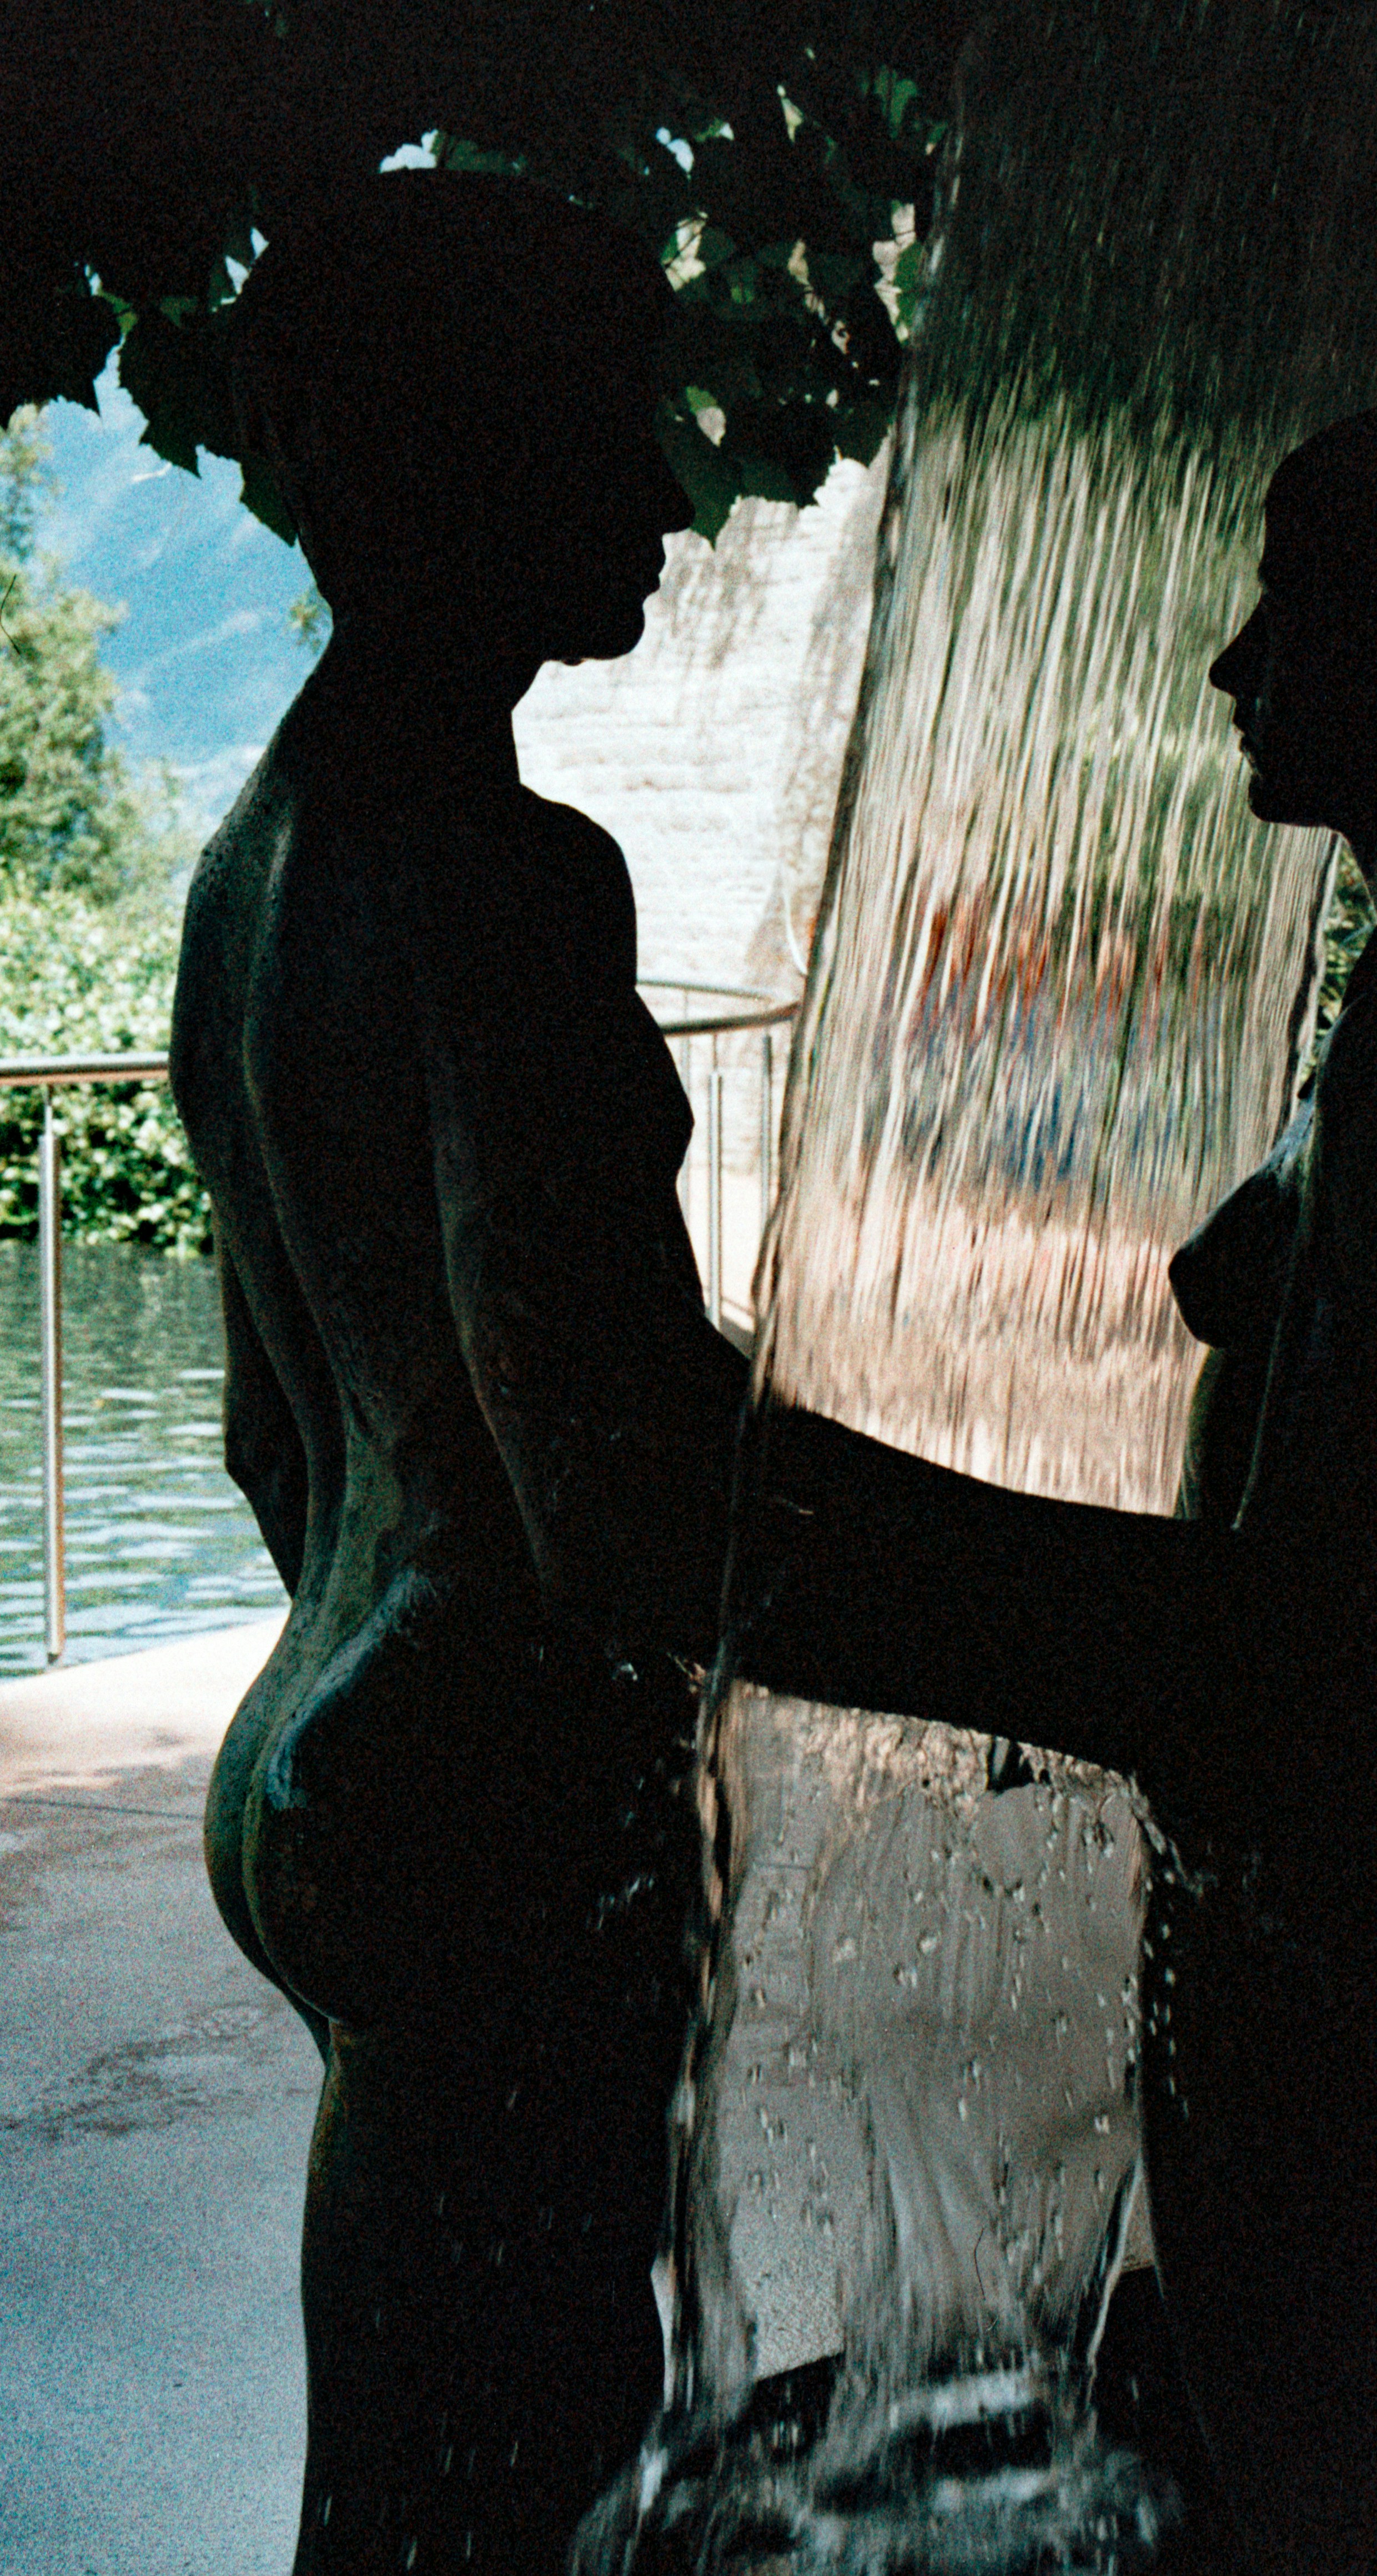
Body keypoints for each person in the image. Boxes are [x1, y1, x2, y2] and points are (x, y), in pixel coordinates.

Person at [728, 390, 1377, 2569]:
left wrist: (783, 1532)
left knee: (1371, 2500)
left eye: (1300, 599)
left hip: (1354, 1898)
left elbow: (1306, 1628)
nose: (1236, 662)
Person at [169, 174, 747, 2572]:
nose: (664, 490)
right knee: (515, 2483)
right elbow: (615, 1480)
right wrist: (1128, 1638)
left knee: (408, 2476)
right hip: (491, 1803)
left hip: (337, 1740)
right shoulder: (507, 874)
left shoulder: (273, 852)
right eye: (611, 424)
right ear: (461, 447)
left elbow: (274, 1427)